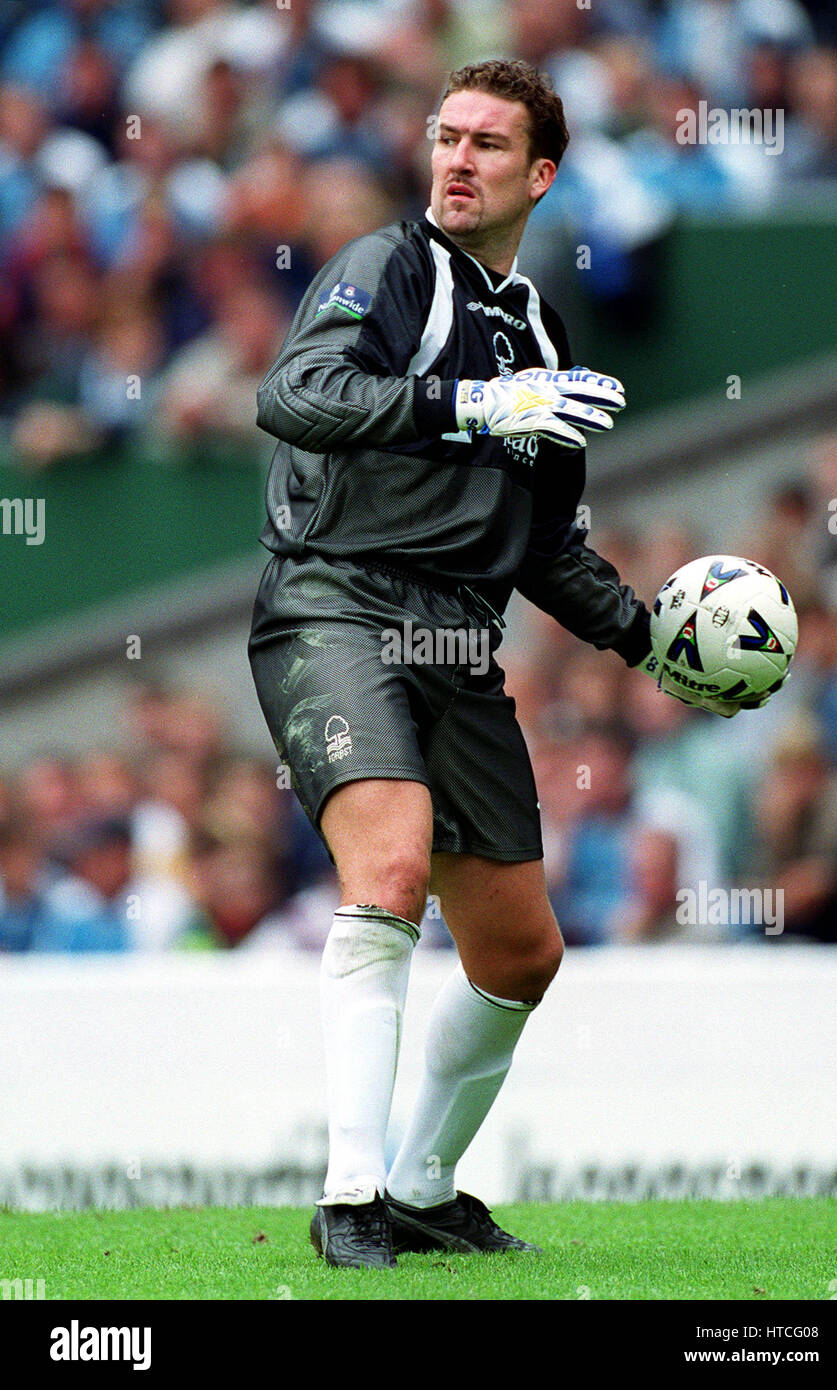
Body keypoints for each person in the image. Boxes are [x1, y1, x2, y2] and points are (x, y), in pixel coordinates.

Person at [248, 58, 730, 1270]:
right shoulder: (386, 268)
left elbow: (543, 546)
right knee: (391, 865)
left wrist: (651, 646)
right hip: (334, 604)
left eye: (486, 146)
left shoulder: (540, 334)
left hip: (457, 638)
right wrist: (467, 405)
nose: (456, 160)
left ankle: (419, 1185)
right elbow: (294, 391)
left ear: (540, 175)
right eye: (444, 137)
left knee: (522, 952)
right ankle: (349, 1195)